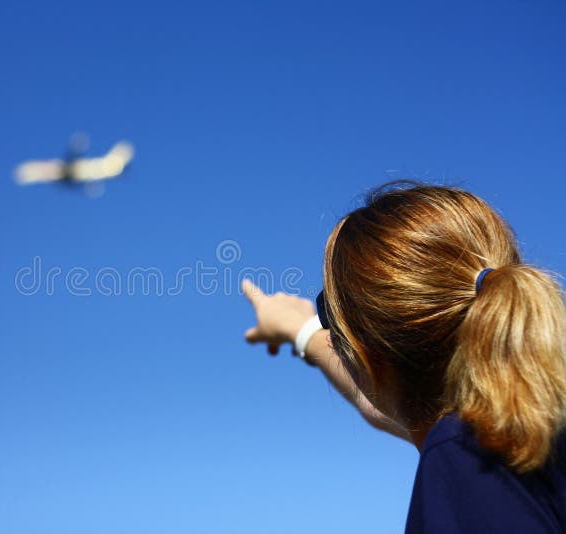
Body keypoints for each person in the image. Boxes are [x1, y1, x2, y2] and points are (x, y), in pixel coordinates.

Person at [242, 182, 566, 533]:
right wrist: (302, 329)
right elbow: (388, 404)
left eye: (331, 318)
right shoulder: (531, 431)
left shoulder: (465, 459)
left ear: (369, 359)